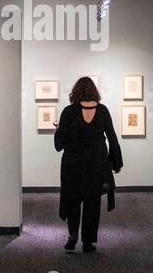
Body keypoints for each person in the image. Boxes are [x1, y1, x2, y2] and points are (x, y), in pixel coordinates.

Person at [53, 76, 123, 253]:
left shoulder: (68, 112)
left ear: (75, 92)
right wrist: (116, 163)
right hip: (96, 164)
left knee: (73, 201)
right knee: (93, 203)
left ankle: (72, 236)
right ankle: (88, 242)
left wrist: (58, 129)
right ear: (94, 92)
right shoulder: (103, 111)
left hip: (73, 164)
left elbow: (59, 145)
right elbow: (113, 138)